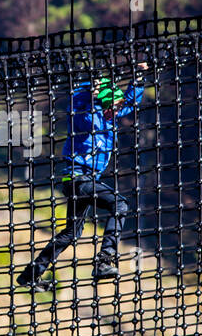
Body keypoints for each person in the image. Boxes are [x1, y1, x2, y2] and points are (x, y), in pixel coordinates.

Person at [16, 62, 149, 291]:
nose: (116, 111)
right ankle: (104, 260)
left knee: (72, 232)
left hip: (86, 181)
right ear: (102, 102)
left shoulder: (109, 118)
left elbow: (128, 103)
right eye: (112, 106)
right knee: (120, 204)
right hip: (79, 179)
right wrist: (91, 88)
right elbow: (79, 99)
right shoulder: (85, 115)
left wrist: (137, 77)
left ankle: (31, 274)